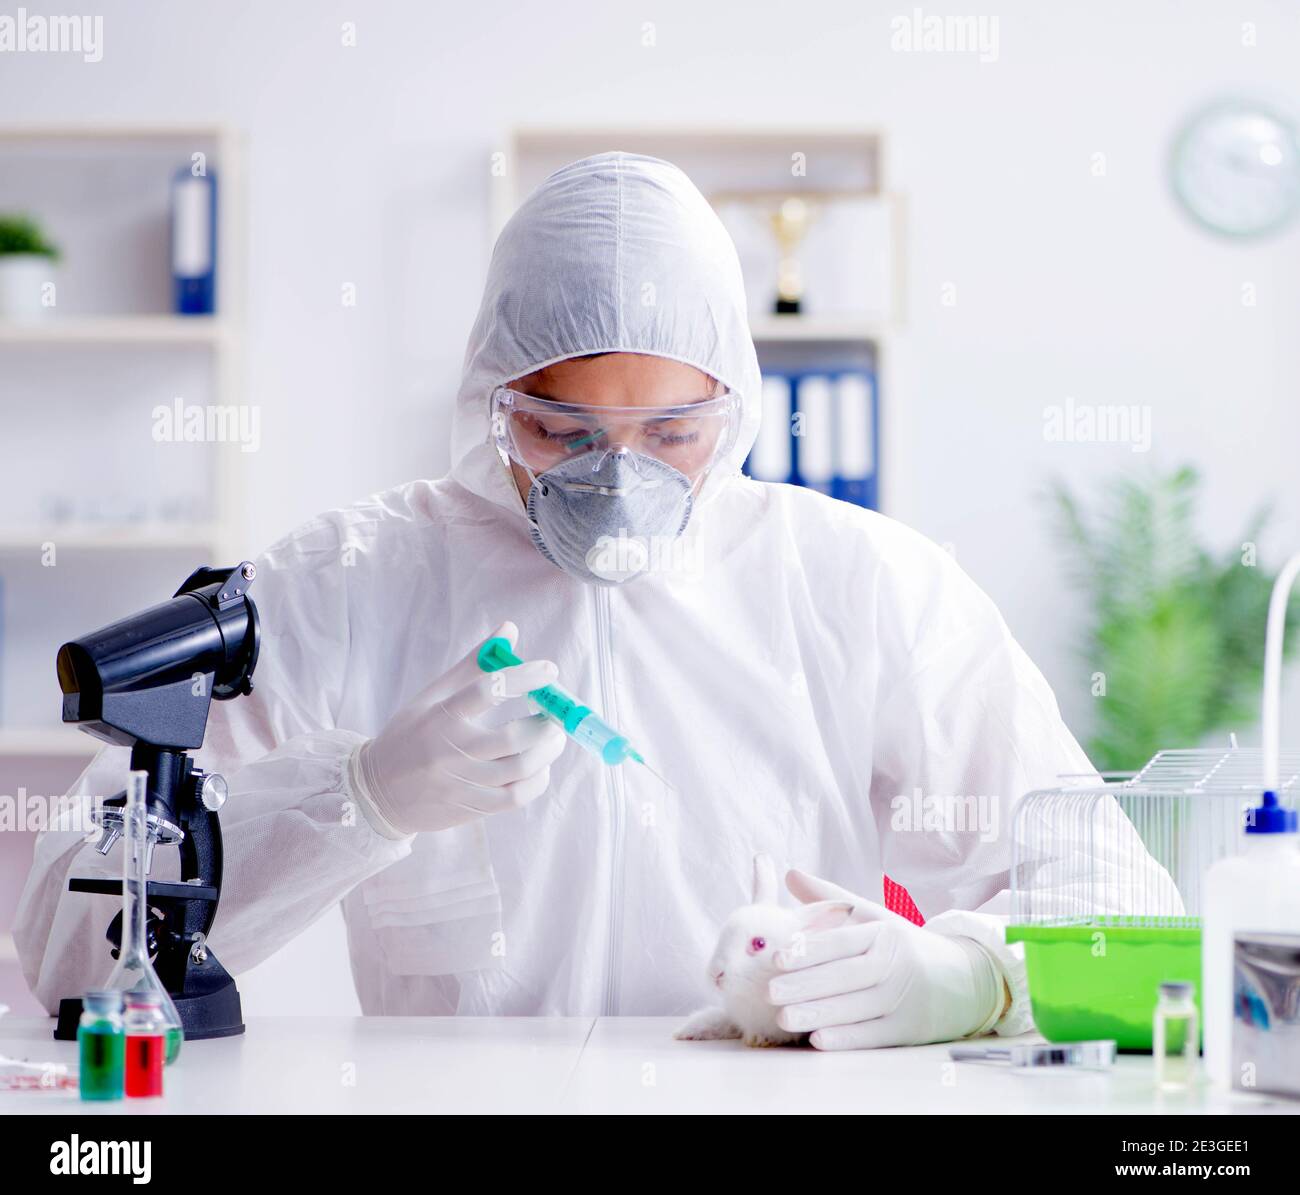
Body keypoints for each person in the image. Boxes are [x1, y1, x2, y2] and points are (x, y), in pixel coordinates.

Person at [18, 152, 1111, 1048]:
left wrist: (976, 974)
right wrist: (356, 797)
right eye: (561, 431)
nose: (618, 476)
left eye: (673, 433)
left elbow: (1111, 892)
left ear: (734, 406)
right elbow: (65, 950)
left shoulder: (863, 587)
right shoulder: (351, 579)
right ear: (493, 397)